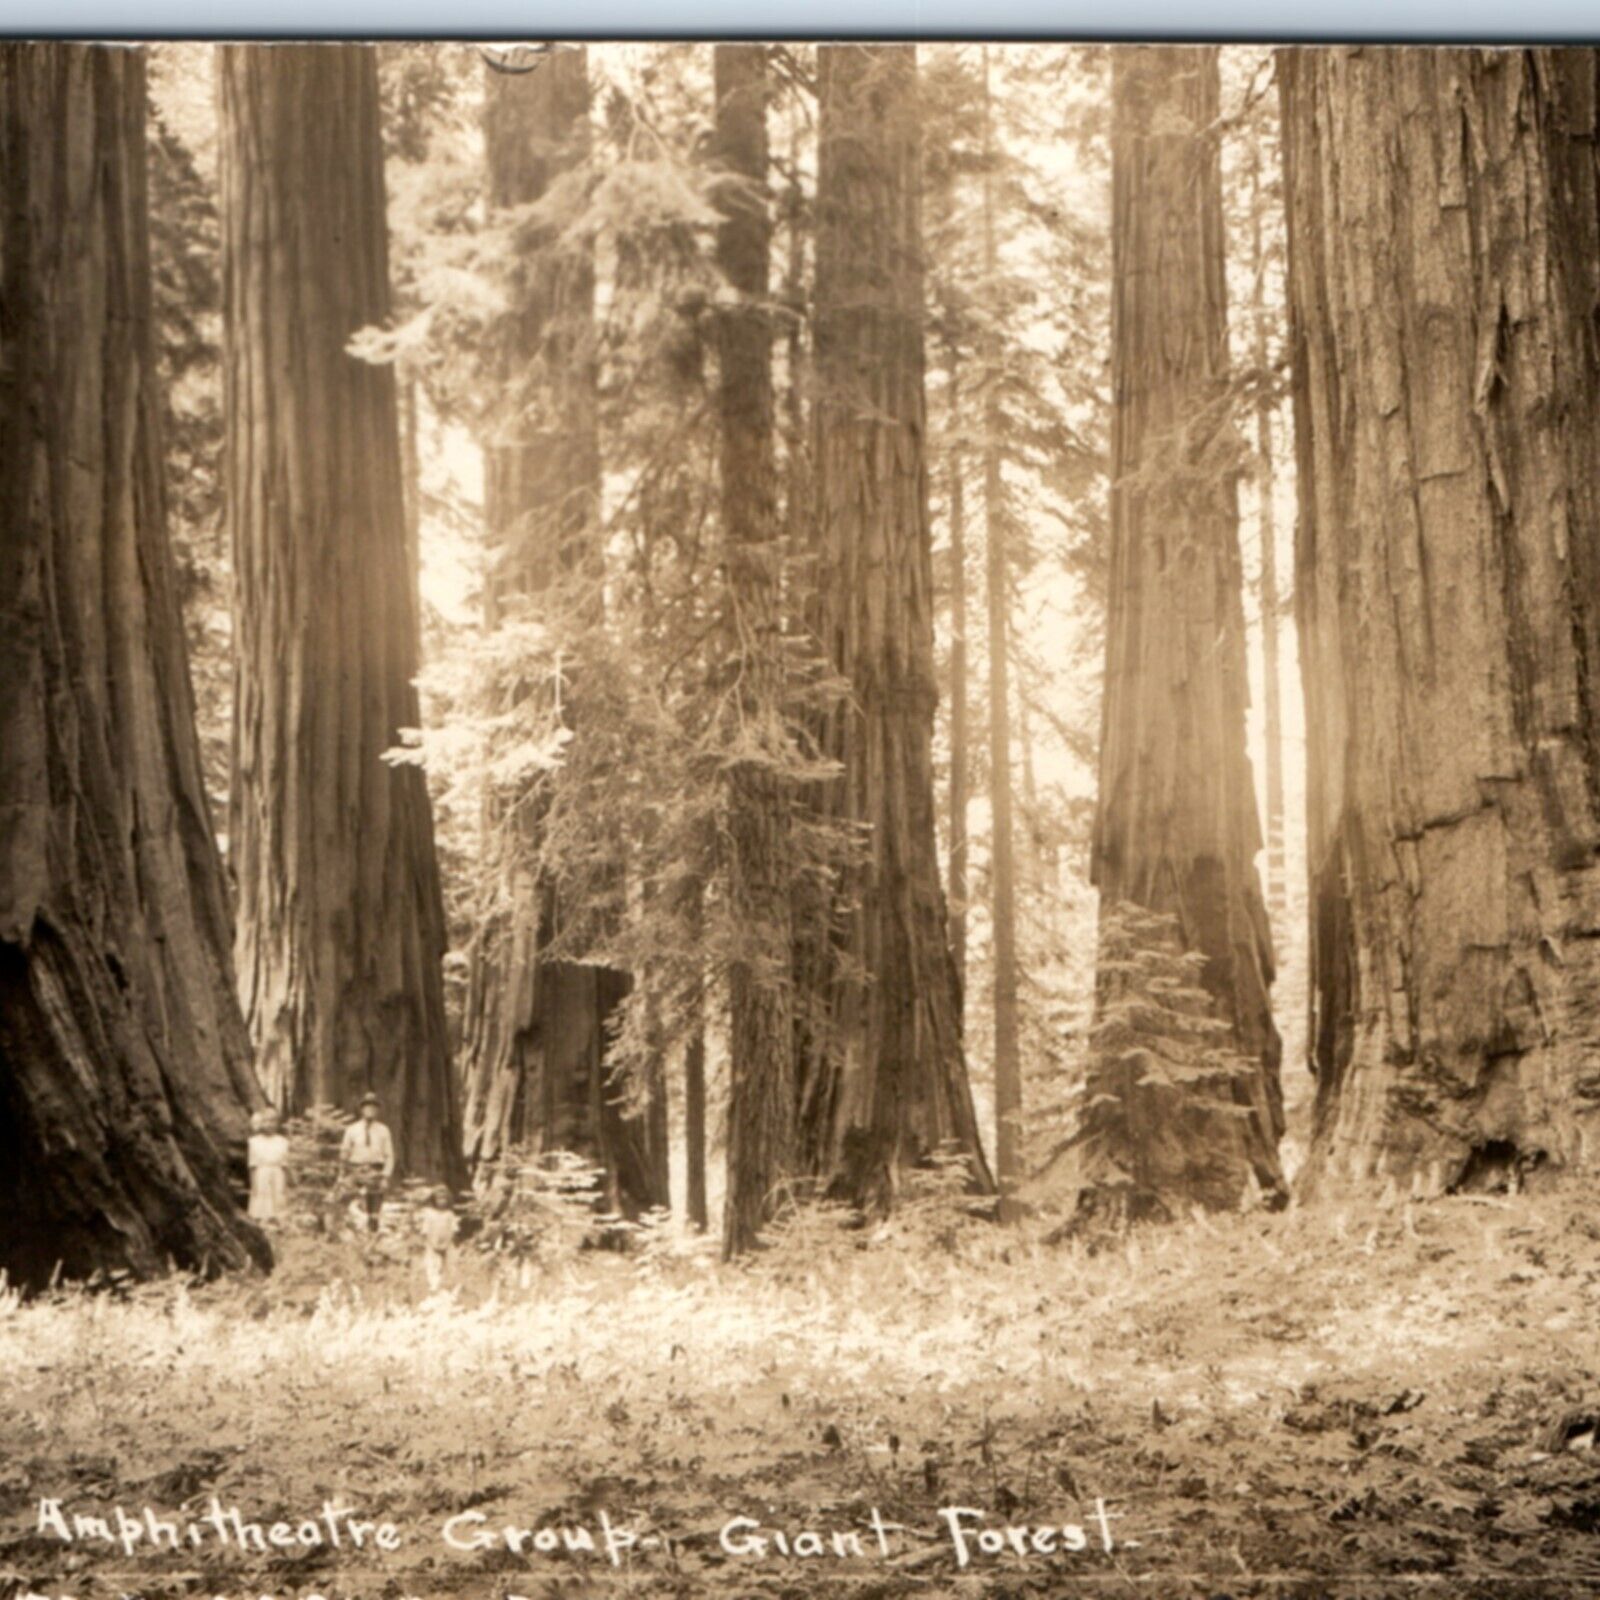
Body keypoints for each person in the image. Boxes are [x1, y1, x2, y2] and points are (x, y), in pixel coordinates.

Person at [339, 1092, 395, 1234]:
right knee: (349, 1201)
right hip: (355, 1169)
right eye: (367, 1107)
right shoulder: (352, 1129)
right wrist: (342, 1174)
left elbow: (389, 1155)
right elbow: (344, 1152)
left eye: (374, 1107)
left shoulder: (383, 1130)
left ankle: (372, 1234)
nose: (370, 1110)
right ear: (361, 1109)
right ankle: (350, 1233)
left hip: (376, 1169)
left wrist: (385, 1176)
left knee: (374, 1206)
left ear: (378, 1110)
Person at [247, 1109, 290, 1225]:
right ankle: (261, 1223)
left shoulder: (283, 1141)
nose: (270, 1124)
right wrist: (254, 1186)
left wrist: (284, 1185)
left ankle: (277, 1224)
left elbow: (285, 1166)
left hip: (277, 1173)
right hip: (261, 1174)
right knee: (261, 1200)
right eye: (266, 1121)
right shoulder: (254, 1142)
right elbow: (252, 1166)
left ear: (278, 1123)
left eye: (273, 1121)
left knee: (278, 1199)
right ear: (261, 1123)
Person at [420, 1185, 457, 1291]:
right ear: (434, 1199)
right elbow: (425, 1231)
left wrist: (447, 1243)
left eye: (444, 1198)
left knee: (449, 1265)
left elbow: (453, 1230)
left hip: (447, 1244)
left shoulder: (449, 1214)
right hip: (432, 1244)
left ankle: (448, 1287)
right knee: (433, 1264)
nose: (442, 1201)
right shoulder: (429, 1214)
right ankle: (434, 1286)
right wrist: (433, 1244)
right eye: (439, 1198)